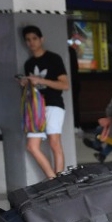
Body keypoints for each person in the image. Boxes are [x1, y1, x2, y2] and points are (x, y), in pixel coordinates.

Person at [20, 25, 70, 179]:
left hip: (53, 104)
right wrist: (26, 83)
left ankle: (60, 180)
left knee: (54, 142)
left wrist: (41, 80)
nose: (31, 42)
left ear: (41, 39)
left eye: (34, 38)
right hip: (36, 107)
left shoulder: (54, 59)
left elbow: (65, 85)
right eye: (28, 40)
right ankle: (52, 179)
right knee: (32, 146)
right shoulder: (28, 64)